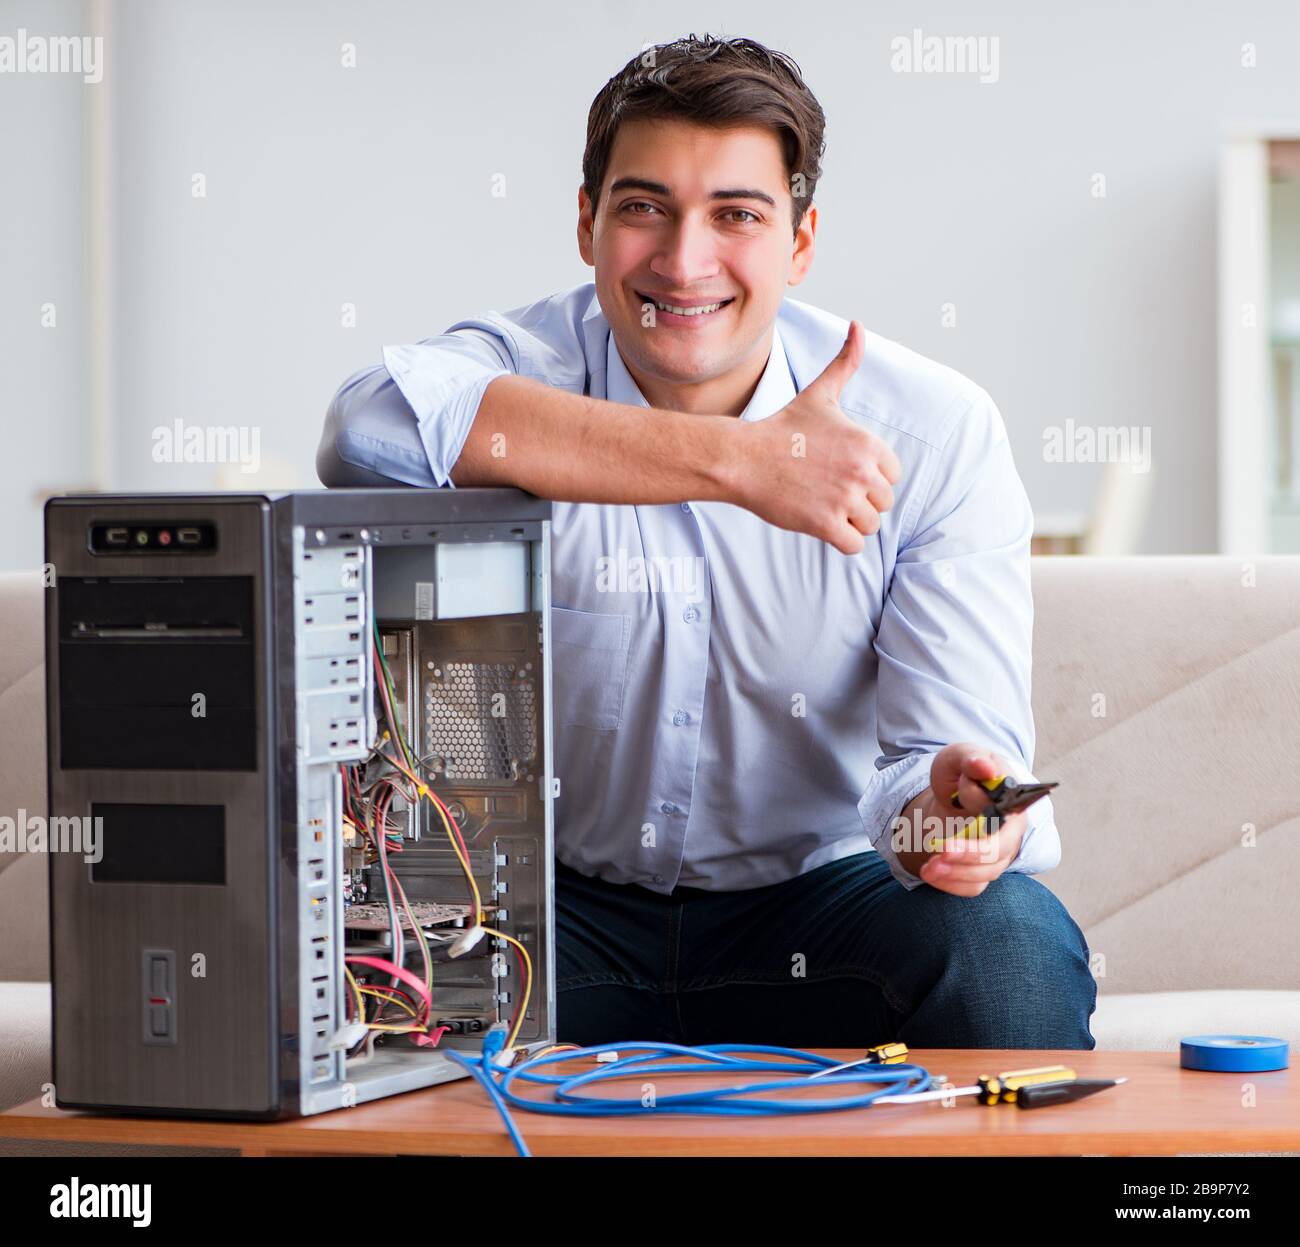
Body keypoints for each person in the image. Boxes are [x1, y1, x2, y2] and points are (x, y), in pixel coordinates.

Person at [318, 34, 1097, 1050]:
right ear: (588, 221)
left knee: (1010, 947)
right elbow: (362, 436)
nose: (684, 262)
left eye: (735, 215)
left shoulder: (930, 431)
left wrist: (948, 826)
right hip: (547, 919)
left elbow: (923, 783)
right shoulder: (521, 368)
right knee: (334, 975)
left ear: (800, 241)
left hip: (817, 913)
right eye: (644, 207)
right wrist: (738, 460)